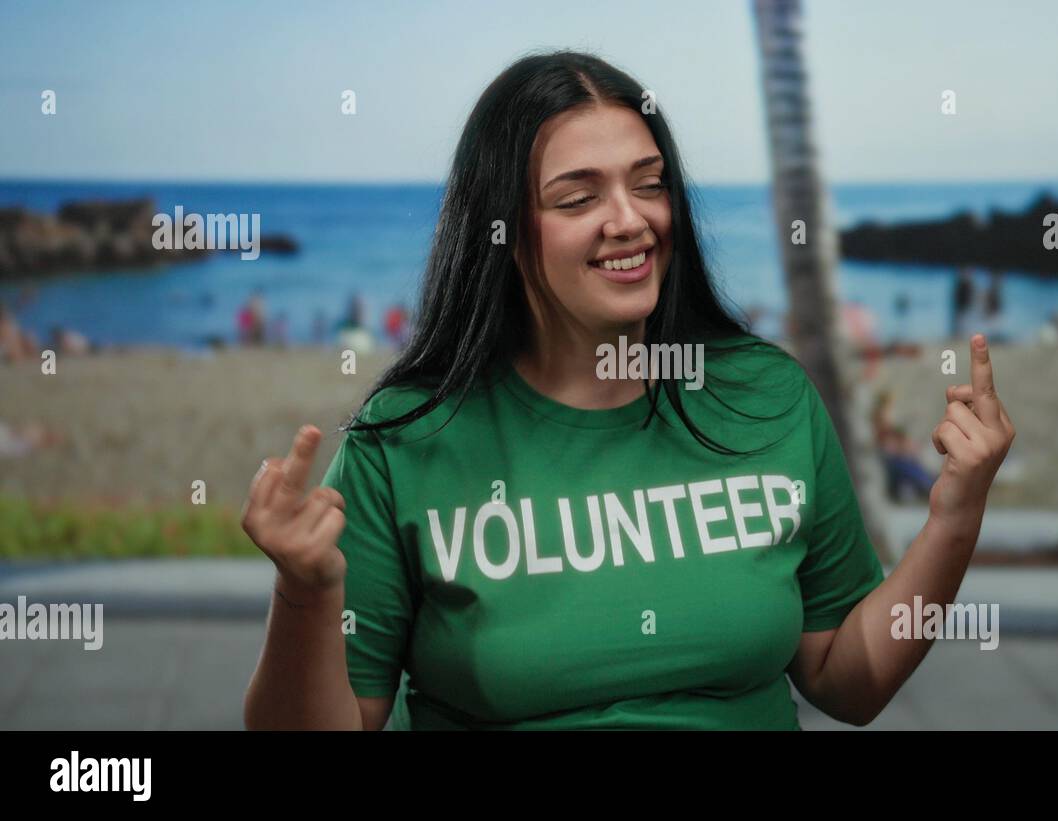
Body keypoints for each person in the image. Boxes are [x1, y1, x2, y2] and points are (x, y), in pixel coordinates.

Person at [240, 51, 1015, 731]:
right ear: (503, 233)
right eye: (579, 198)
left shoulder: (766, 394)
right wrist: (304, 591)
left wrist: (955, 515)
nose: (630, 220)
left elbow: (848, 679)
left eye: (649, 185)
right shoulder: (405, 439)